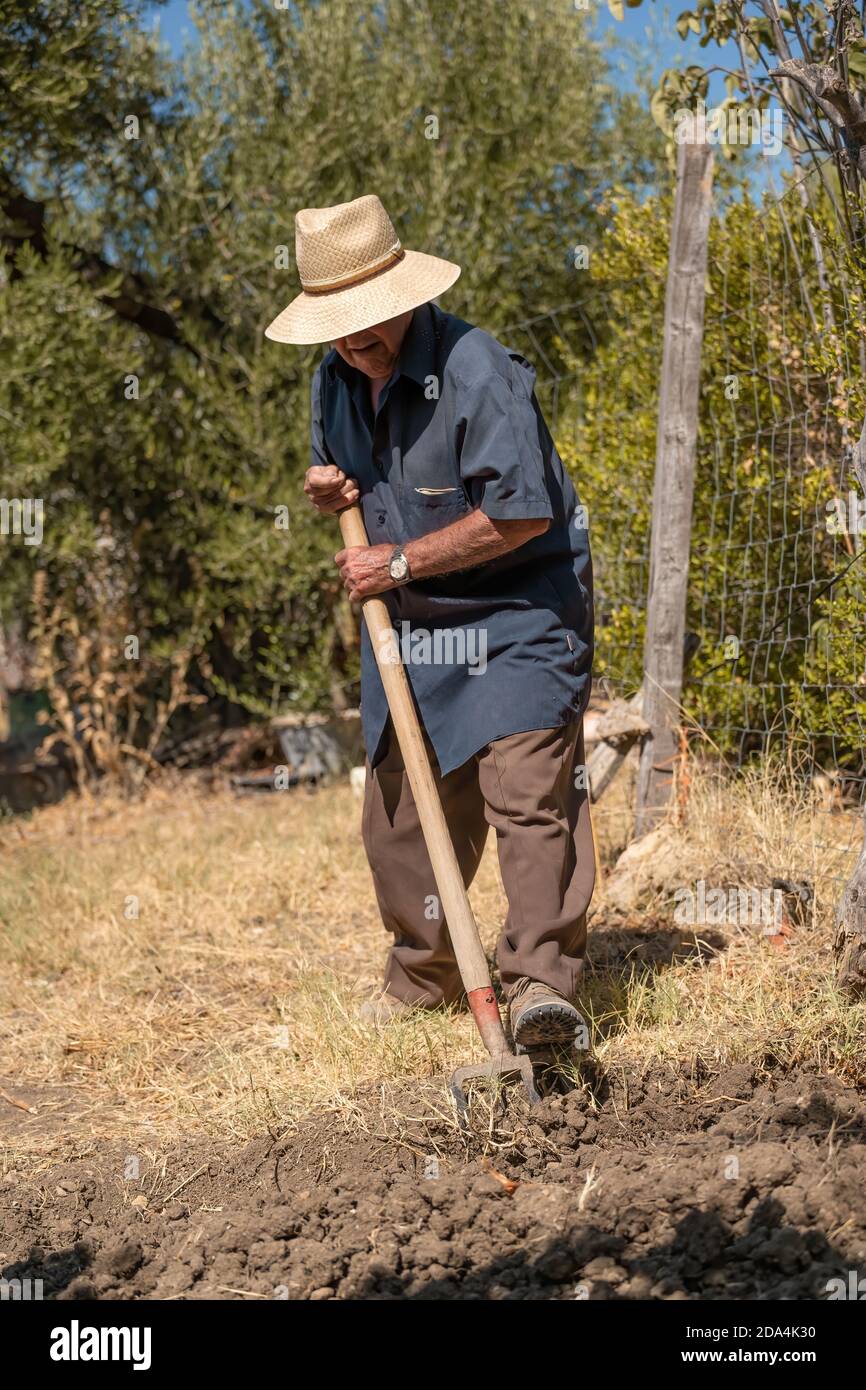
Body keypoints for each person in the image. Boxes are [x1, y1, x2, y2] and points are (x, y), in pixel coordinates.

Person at [265, 193, 594, 1048]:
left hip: (517, 613)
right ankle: (422, 978)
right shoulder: (334, 379)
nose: (352, 339)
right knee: (400, 819)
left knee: (526, 796)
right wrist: (327, 488)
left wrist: (399, 562)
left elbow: (521, 516)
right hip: (408, 629)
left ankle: (538, 989)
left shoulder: (478, 368)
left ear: (406, 296)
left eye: (367, 321)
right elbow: (342, 474)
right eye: (334, 325)